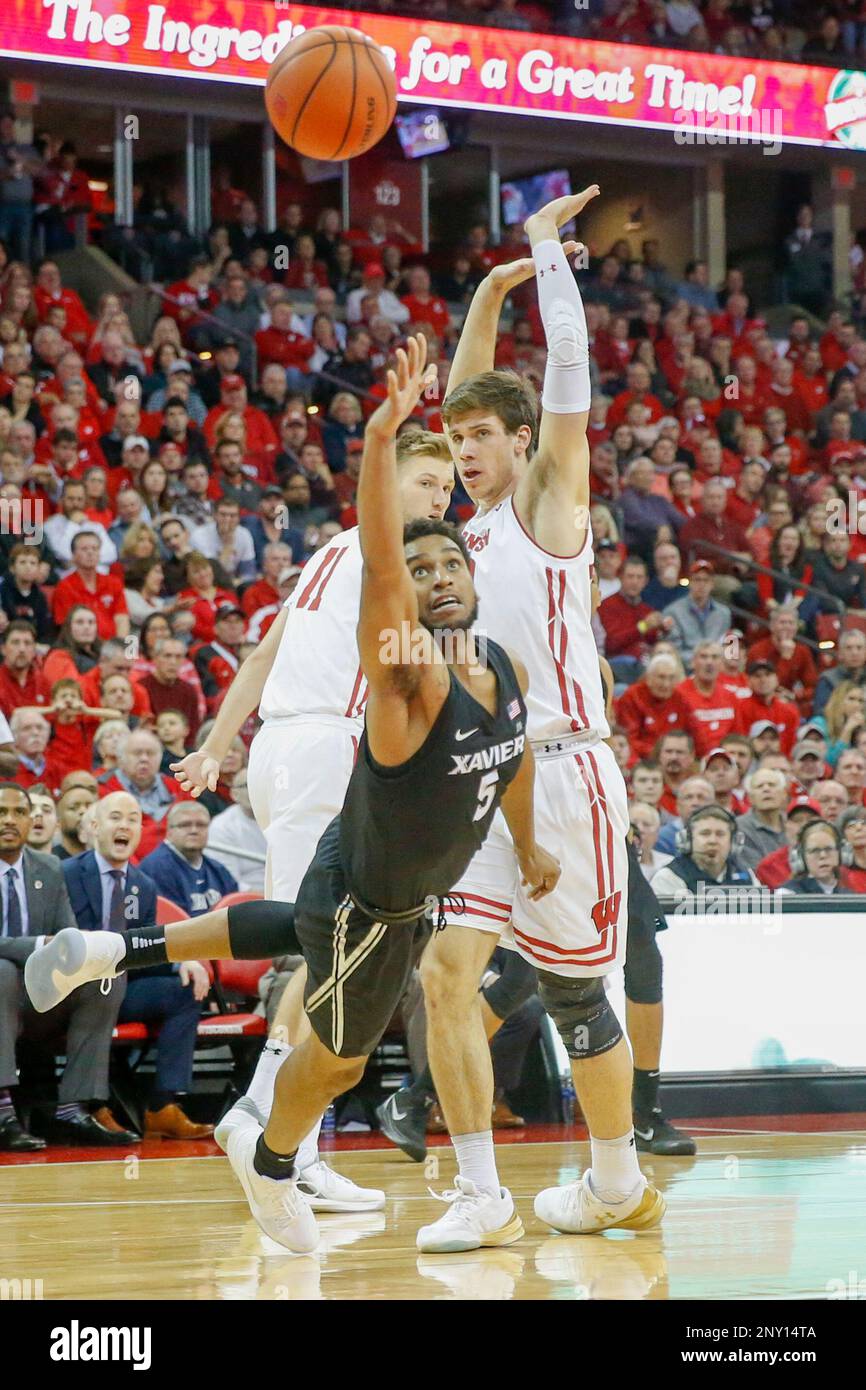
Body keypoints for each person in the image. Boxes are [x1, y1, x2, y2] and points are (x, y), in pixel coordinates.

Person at [27, 335, 562, 1255]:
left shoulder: (327, 553)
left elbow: (269, 649)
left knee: (309, 919)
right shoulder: (381, 563)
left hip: (284, 745)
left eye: (446, 496)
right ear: (390, 483)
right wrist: (388, 432)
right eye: (429, 488)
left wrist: (219, 737)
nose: (443, 506)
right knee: (334, 961)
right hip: (338, 751)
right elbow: (394, 584)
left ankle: (121, 952)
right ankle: (283, 1138)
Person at [383, 190, 663, 1244]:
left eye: (479, 437)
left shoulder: (547, 505)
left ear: (519, 445)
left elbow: (565, 386)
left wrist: (543, 256)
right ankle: (480, 1191)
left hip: (568, 769)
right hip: (480, 768)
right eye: (452, 440)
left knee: (574, 997)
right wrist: (484, 294)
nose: (461, 450)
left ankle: (611, 1178)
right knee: (443, 968)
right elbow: (467, 388)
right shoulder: (470, 524)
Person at [61, 793, 213, 1141]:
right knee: (106, 982)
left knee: (185, 986)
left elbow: (140, 954)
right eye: (116, 817)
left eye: (133, 819)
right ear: (95, 827)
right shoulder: (65, 873)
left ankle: (162, 1105)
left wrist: (181, 964)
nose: (125, 825)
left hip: (119, 987)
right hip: (71, 990)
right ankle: (90, 1103)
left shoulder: (143, 886)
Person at [0, 783, 137, 1151]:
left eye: (18, 812)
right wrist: (37, 946)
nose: (9, 821)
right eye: (1, 813)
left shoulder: (49, 867)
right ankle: (2, 1113)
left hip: (38, 994)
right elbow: (48, 944)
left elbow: (67, 936)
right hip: (3, 989)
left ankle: (73, 1108)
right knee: (2, 972)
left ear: (32, 821)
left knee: (105, 977)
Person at [139, 801, 238, 915]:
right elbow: (171, 920)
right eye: (185, 825)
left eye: (201, 825)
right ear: (169, 831)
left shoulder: (218, 869)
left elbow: (236, 910)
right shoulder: (156, 868)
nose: (194, 830)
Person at [650, 804, 758, 898]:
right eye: (705, 833)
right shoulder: (669, 877)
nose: (713, 841)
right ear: (687, 839)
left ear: (734, 842)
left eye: (720, 834)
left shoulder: (746, 875)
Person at [735, 766, 788, 870]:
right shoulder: (739, 828)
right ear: (750, 798)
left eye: (772, 785)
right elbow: (758, 871)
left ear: (783, 794)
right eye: (759, 786)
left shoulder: (793, 824)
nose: (766, 789)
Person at [779, 820, 849, 896]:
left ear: (840, 852)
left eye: (828, 849)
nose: (823, 855)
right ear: (801, 857)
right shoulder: (787, 894)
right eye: (814, 850)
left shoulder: (849, 895)